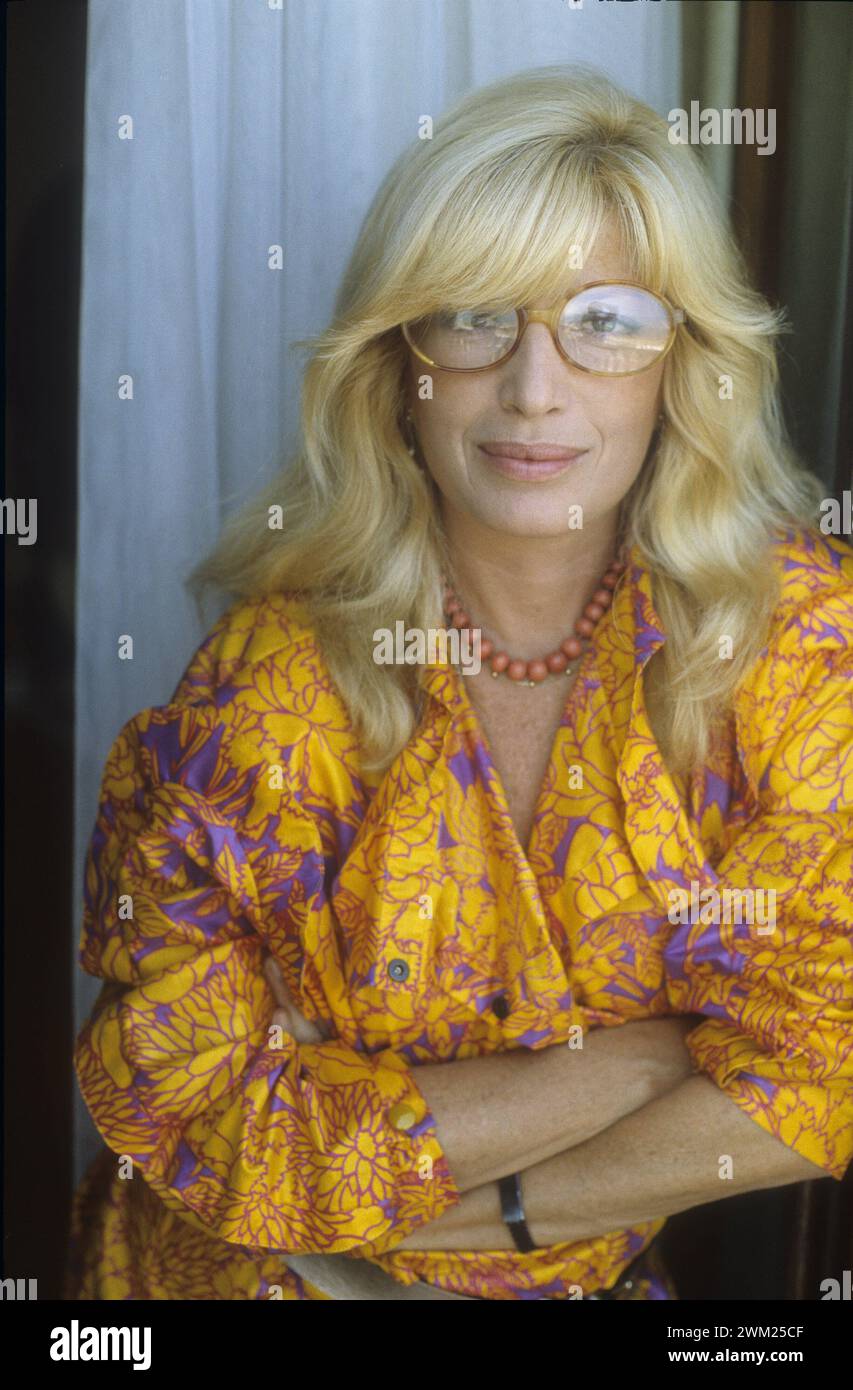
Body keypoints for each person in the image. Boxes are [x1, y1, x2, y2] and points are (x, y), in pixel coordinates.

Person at [66, 64, 853, 1301]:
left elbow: (824, 1070)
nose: (533, 389)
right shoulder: (266, 689)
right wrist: (644, 1065)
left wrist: (495, 1214)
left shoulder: (799, 645)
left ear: (683, 362)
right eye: (475, 314)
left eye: (606, 320)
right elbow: (194, 1110)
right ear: (398, 363)